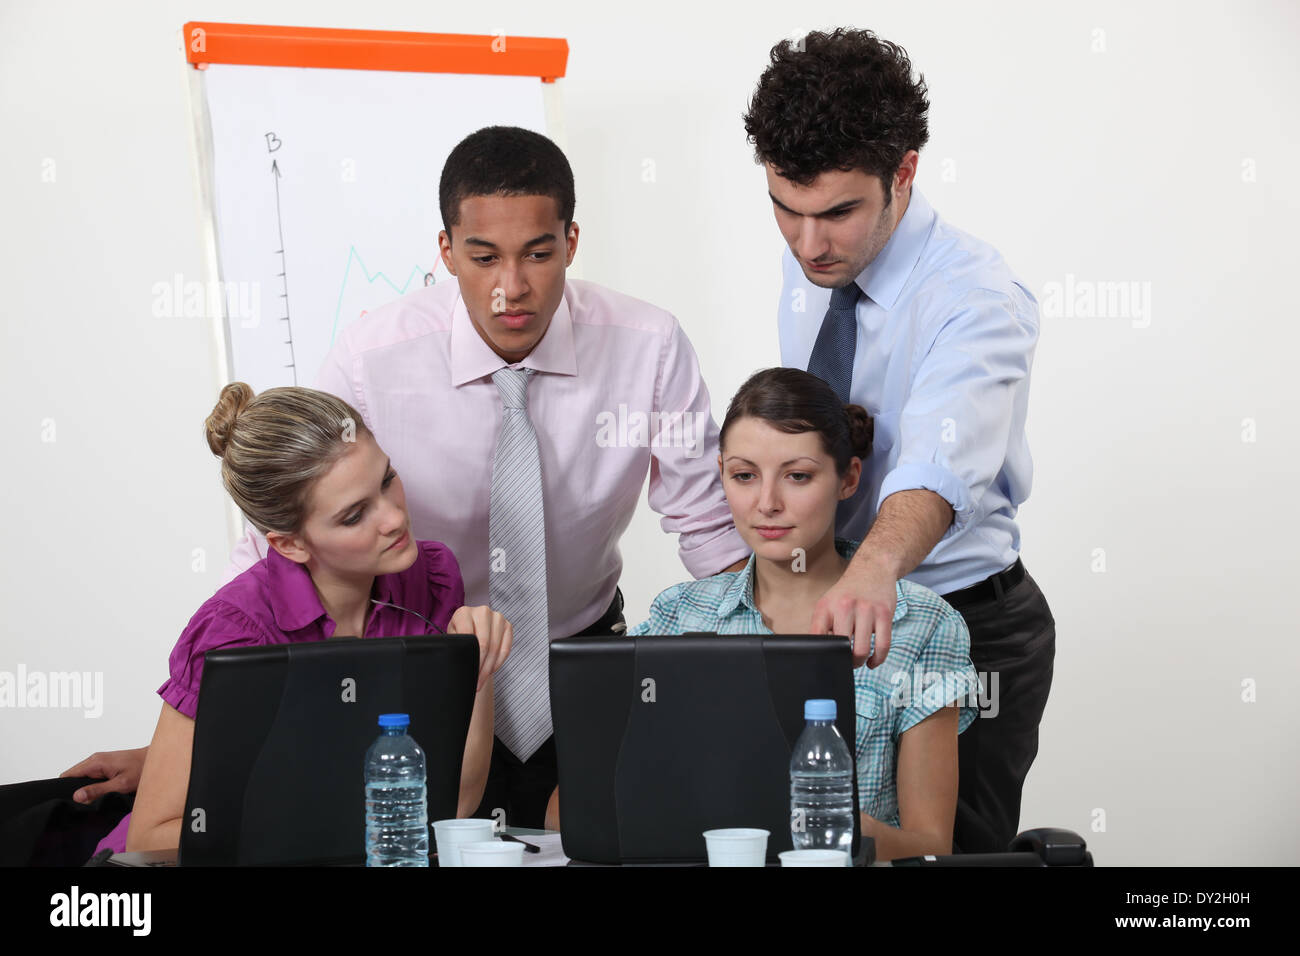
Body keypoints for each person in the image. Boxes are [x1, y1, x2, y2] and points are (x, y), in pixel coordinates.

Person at [66, 126, 754, 831]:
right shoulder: (374, 357)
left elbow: (710, 535)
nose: (509, 289)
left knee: (609, 839)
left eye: (538, 255)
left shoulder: (650, 345)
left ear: (571, 243)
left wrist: (757, 694)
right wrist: (194, 746)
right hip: (421, 675)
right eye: (483, 258)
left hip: (580, 655)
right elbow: (280, 548)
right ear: (446, 250)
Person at [743, 28, 1056, 851]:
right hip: (830, 607)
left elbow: (936, 464)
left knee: (947, 854)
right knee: (818, 838)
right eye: (786, 207)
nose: (809, 244)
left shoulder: (978, 299)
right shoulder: (814, 261)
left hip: (964, 615)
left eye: (838, 212)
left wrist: (872, 570)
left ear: (904, 172)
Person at [546, 368, 979, 861]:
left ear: (848, 478)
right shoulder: (679, 616)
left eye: (798, 476)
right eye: (744, 475)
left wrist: (816, 823)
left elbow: (930, 847)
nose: (767, 504)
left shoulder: (921, 624)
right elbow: (568, 812)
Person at [92, 383, 511, 855]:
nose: (394, 518)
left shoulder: (428, 578)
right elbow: (153, 836)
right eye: (354, 516)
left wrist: (474, 661)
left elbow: (451, 805)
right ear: (290, 544)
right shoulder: (235, 633)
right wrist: (343, 829)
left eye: (387, 478)